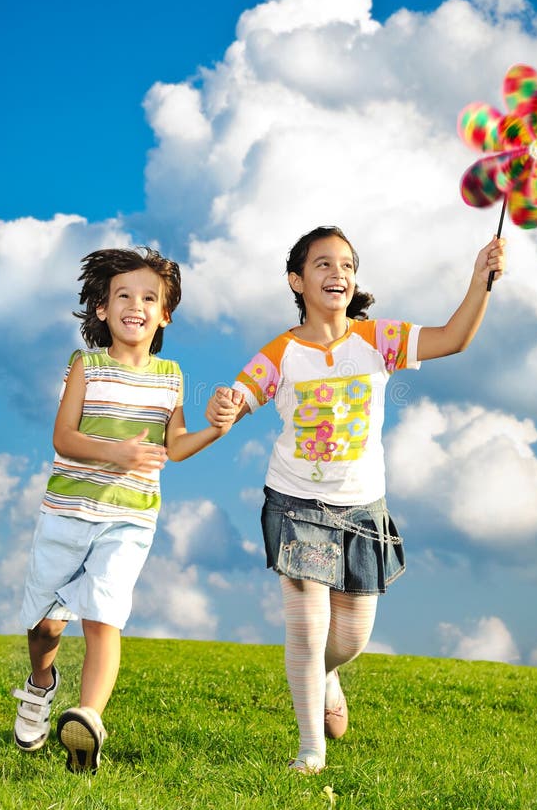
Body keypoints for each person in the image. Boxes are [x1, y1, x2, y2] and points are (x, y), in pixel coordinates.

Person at [206, 225, 505, 774]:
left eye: (346, 264)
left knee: (349, 637)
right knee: (307, 628)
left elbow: (454, 337)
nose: (337, 273)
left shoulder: (377, 339)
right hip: (296, 504)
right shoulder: (281, 353)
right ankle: (310, 750)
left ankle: (324, 674)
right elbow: (235, 402)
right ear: (296, 280)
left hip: (363, 509)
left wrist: (479, 279)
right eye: (322, 264)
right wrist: (223, 406)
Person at [12, 246, 240, 773]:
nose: (136, 305)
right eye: (123, 296)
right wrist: (115, 452)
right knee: (46, 627)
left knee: (103, 616)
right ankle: (41, 684)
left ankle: (87, 720)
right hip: (67, 512)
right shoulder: (86, 366)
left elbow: (174, 446)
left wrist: (216, 429)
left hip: (130, 519)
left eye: (149, 298)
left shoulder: (171, 375)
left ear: (165, 315)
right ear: (102, 308)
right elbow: (63, 437)